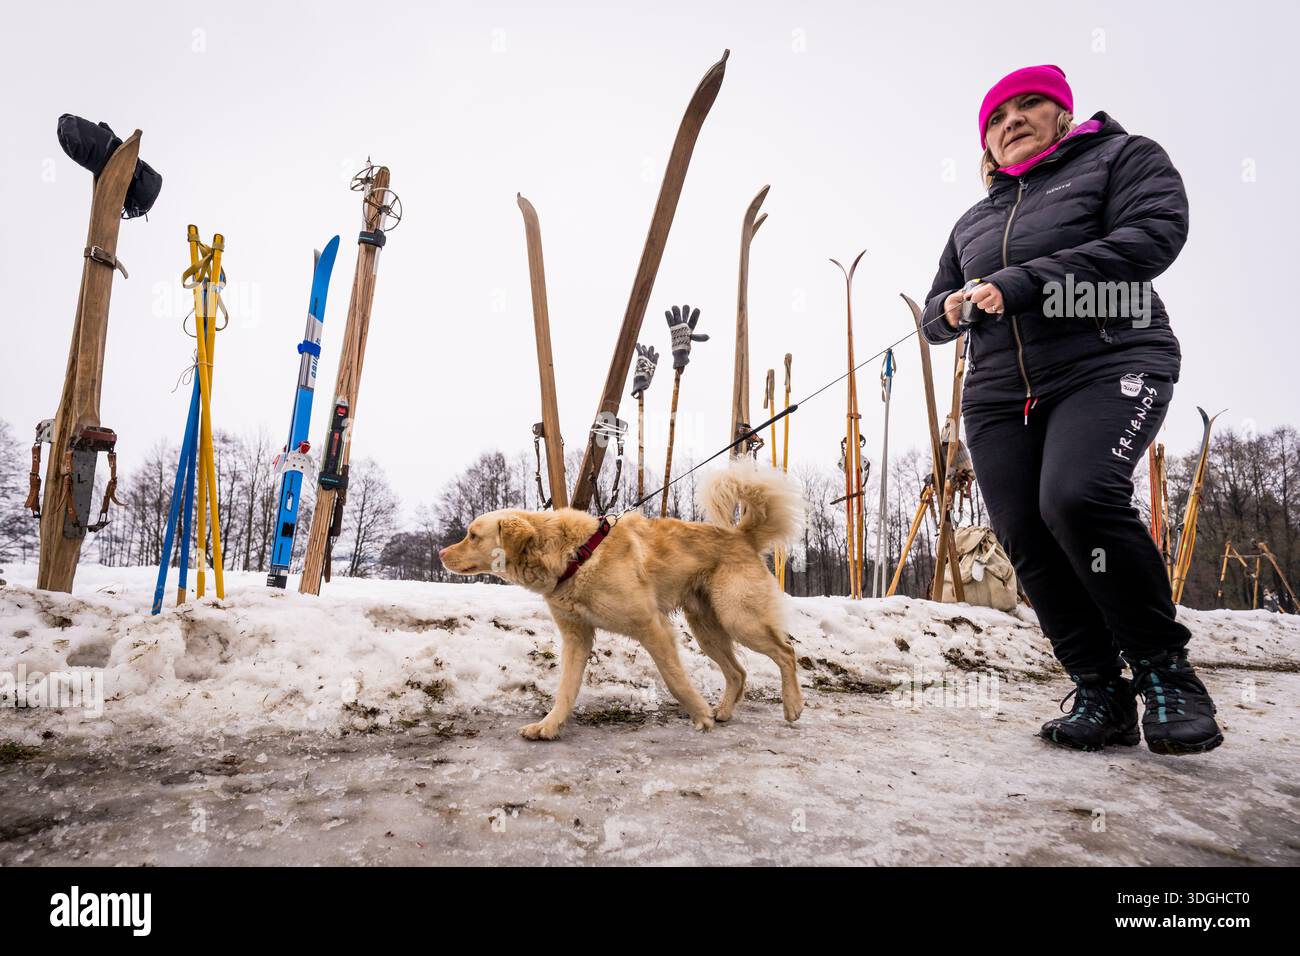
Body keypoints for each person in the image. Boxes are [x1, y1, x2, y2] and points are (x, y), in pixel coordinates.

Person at [920, 64, 1222, 755]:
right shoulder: (973, 221)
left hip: (1109, 359)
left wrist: (1025, 281)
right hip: (1000, 393)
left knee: (1077, 498)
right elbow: (932, 319)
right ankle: (1099, 689)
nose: (1012, 121)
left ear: (1063, 115)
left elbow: (1153, 236)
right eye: (997, 118)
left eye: (1030, 105)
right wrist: (951, 308)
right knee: (1025, 531)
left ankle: (1165, 673)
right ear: (986, 145)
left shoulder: (1121, 158)